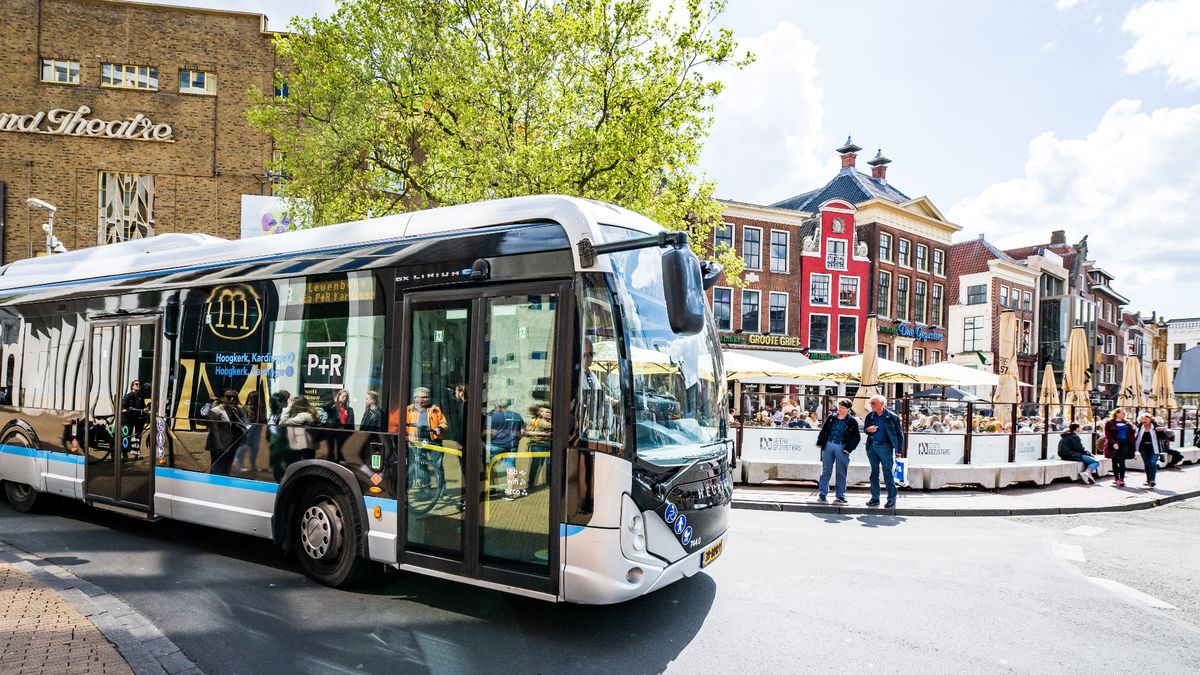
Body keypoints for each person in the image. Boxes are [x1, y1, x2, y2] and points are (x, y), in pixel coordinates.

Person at [815, 399, 861, 504]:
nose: (839, 409)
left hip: (842, 447)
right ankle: (822, 493)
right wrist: (820, 442)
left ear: (848, 409)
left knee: (841, 472)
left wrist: (848, 449)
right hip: (828, 445)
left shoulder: (852, 421)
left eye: (842, 408)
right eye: (839, 407)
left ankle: (840, 495)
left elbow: (856, 437)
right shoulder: (831, 418)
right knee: (826, 470)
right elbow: (824, 430)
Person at [863, 394, 904, 508]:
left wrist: (899, 451)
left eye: (874, 403)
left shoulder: (892, 417)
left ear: (882, 404)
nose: (871, 405)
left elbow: (899, 435)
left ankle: (891, 499)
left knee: (888, 474)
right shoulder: (870, 416)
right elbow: (865, 429)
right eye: (871, 403)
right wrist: (868, 430)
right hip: (872, 447)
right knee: (874, 473)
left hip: (886, 447)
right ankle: (875, 498)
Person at [406, 387, 449, 487]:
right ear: (415, 398)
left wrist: (439, 428)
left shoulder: (435, 409)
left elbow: (444, 424)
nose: (426, 399)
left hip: (434, 440)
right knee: (422, 465)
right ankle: (426, 488)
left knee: (438, 466)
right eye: (423, 397)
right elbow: (403, 425)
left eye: (427, 397)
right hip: (417, 441)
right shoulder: (408, 410)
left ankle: (442, 492)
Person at [486, 399, 526, 498]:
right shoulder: (517, 416)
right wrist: (516, 440)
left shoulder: (492, 416)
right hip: (512, 445)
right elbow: (523, 432)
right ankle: (510, 493)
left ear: (498, 407)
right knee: (511, 468)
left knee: (489, 466)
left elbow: (486, 432)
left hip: (495, 445)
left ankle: (492, 490)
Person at [206, 390, 247, 475]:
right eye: (228, 397)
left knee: (226, 466)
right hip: (218, 445)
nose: (231, 399)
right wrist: (219, 446)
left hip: (230, 444)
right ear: (222, 398)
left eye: (234, 397)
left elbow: (240, 424)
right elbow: (214, 431)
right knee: (216, 466)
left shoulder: (234, 410)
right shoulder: (215, 411)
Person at [1102, 408, 1135, 487]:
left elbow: (1131, 433)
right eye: (1122, 413)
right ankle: (1116, 478)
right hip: (1114, 443)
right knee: (1114, 460)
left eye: (1124, 413)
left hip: (1125, 443)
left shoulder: (1127, 423)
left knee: (1122, 460)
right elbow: (1107, 434)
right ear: (1117, 413)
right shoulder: (1109, 423)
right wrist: (1114, 443)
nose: (1124, 414)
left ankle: (1122, 479)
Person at [322, 389, 356, 463]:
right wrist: (335, 400)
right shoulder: (332, 407)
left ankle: (340, 459)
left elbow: (351, 424)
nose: (345, 398)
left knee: (341, 451)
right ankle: (331, 459)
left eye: (346, 396)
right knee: (330, 451)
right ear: (339, 396)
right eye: (343, 396)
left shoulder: (349, 410)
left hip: (343, 434)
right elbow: (324, 407)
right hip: (332, 433)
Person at [280, 395, 317, 461]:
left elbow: (282, 423)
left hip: (303, 447)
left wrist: (288, 407)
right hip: (306, 445)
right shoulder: (307, 414)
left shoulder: (303, 416)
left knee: (303, 466)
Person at [527, 405, 552, 488]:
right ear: (540, 413)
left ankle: (549, 483)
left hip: (549, 445)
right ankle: (531, 484)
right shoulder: (534, 421)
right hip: (537, 445)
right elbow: (527, 433)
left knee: (549, 464)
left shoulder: (552, 422)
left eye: (550, 412)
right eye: (547, 412)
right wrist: (544, 434)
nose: (549, 413)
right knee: (536, 464)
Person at [120, 380, 147, 459]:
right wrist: (126, 410)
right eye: (136, 384)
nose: (138, 385)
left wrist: (146, 410)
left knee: (138, 436)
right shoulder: (128, 396)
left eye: (139, 384)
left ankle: (136, 452)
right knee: (127, 435)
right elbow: (123, 407)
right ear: (132, 386)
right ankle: (125, 453)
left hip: (138, 418)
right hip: (128, 418)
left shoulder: (141, 396)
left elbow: (143, 406)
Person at [1134, 413, 1160, 488]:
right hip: (1143, 447)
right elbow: (1135, 437)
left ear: (1150, 419)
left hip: (1154, 447)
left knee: (1152, 462)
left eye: (1146, 419)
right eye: (1142, 419)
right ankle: (1149, 480)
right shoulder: (1139, 427)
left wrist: (1161, 431)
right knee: (1147, 463)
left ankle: (1152, 480)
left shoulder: (1156, 427)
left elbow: (1164, 437)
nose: (1144, 420)